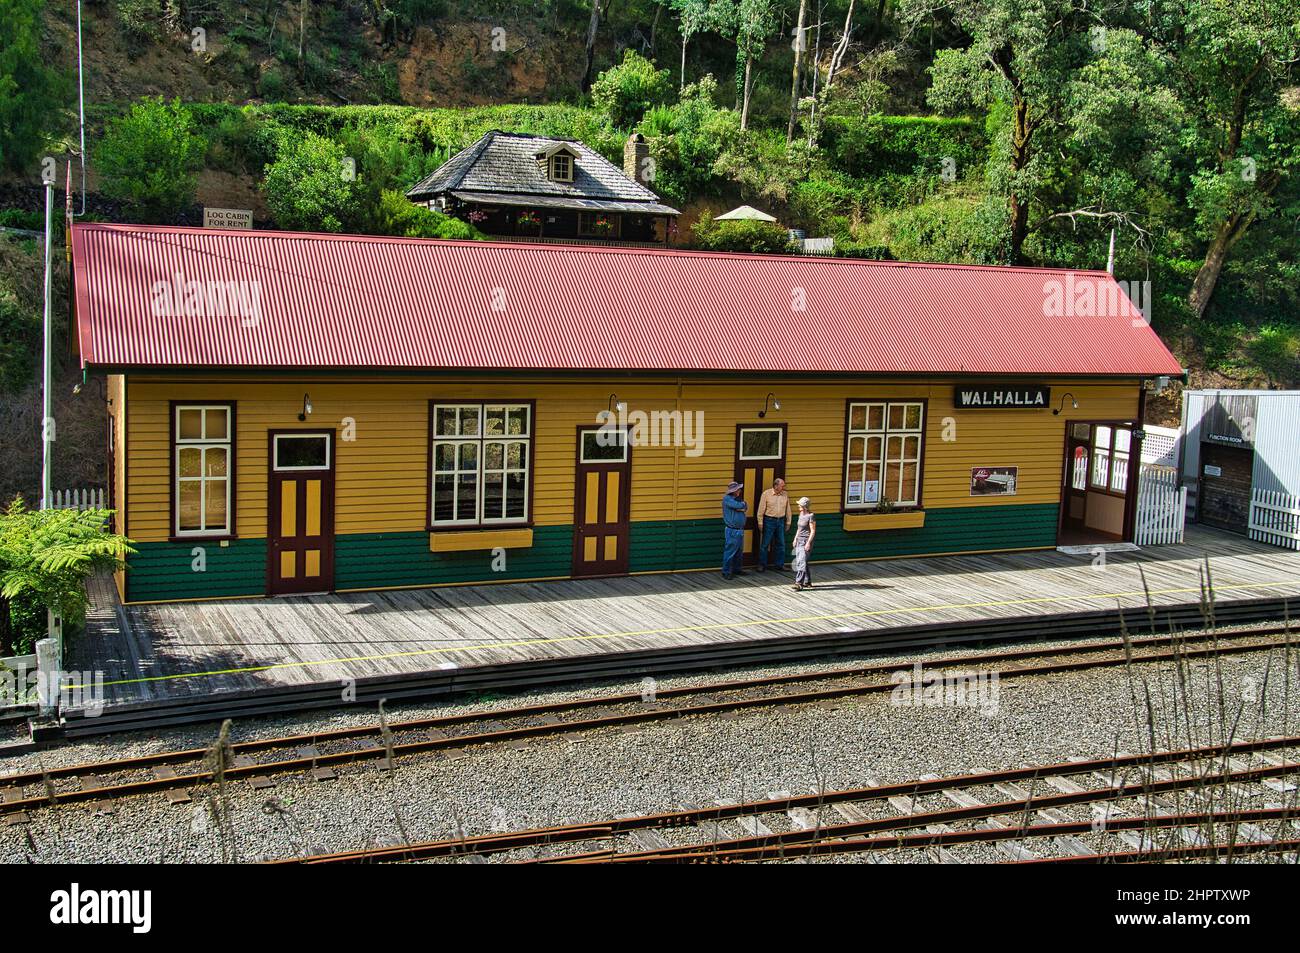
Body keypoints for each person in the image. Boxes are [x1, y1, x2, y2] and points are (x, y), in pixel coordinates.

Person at [755, 477, 791, 572]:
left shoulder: (785, 494)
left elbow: (788, 509)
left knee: (781, 544)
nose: (783, 487)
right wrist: (760, 522)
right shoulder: (766, 494)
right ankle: (762, 564)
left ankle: (779, 564)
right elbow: (761, 509)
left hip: (781, 521)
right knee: (765, 544)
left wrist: (788, 522)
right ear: (776, 485)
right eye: (782, 485)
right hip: (769, 520)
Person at [721, 481, 747, 579]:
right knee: (730, 551)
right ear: (734, 491)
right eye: (738, 489)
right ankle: (726, 571)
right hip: (732, 530)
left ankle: (737, 569)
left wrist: (742, 505)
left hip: (739, 529)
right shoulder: (727, 499)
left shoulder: (736, 499)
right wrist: (742, 506)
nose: (740, 491)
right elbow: (741, 506)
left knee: (739, 551)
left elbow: (745, 506)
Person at [791, 496, 816, 591]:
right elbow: (799, 529)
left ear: (804, 506)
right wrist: (795, 539)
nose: (798, 506)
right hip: (799, 540)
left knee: (801, 561)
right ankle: (807, 581)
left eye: (800, 505)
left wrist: (808, 543)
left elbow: (813, 531)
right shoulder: (800, 514)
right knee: (802, 561)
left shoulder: (811, 516)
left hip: (806, 541)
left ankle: (798, 583)